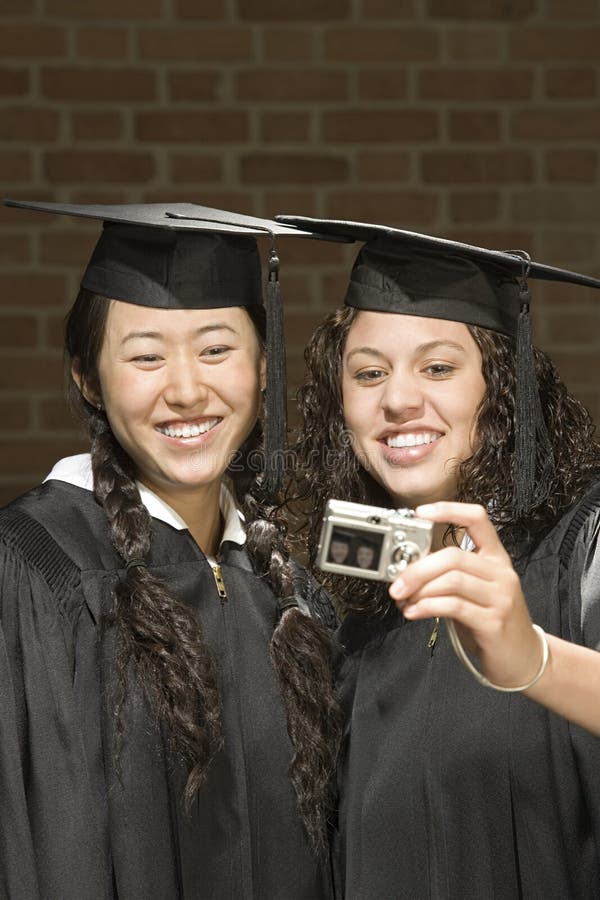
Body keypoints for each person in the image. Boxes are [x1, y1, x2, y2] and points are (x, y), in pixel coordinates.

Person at [0, 201, 342, 900]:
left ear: (263, 366)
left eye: (216, 350)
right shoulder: (37, 566)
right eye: (146, 357)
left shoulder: (291, 593)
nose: (187, 390)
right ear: (87, 378)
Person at [279, 213, 600, 898]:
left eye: (439, 367)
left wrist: (534, 659)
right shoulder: (363, 607)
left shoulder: (585, 544)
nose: (398, 399)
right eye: (368, 373)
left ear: (504, 386)